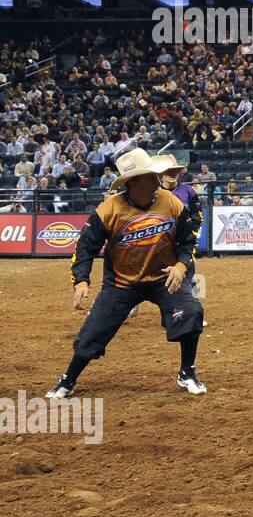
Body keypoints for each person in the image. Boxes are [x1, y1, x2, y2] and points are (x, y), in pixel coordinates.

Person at [46, 148, 207, 399]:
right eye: (151, 177)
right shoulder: (109, 209)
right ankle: (69, 378)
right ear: (133, 183)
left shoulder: (171, 202)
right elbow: (85, 246)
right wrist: (81, 281)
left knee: (191, 311)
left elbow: (188, 240)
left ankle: (187, 371)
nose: (158, 180)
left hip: (163, 278)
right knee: (94, 331)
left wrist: (181, 266)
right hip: (121, 283)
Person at [153, 154, 205, 298]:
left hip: (184, 241)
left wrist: (191, 236)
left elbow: (198, 217)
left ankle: (197, 307)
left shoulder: (189, 191)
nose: (172, 174)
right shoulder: (154, 193)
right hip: (159, 243)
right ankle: (133, 303)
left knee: (190, 269)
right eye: (168, 171)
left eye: (174, 171)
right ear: (161, 175)